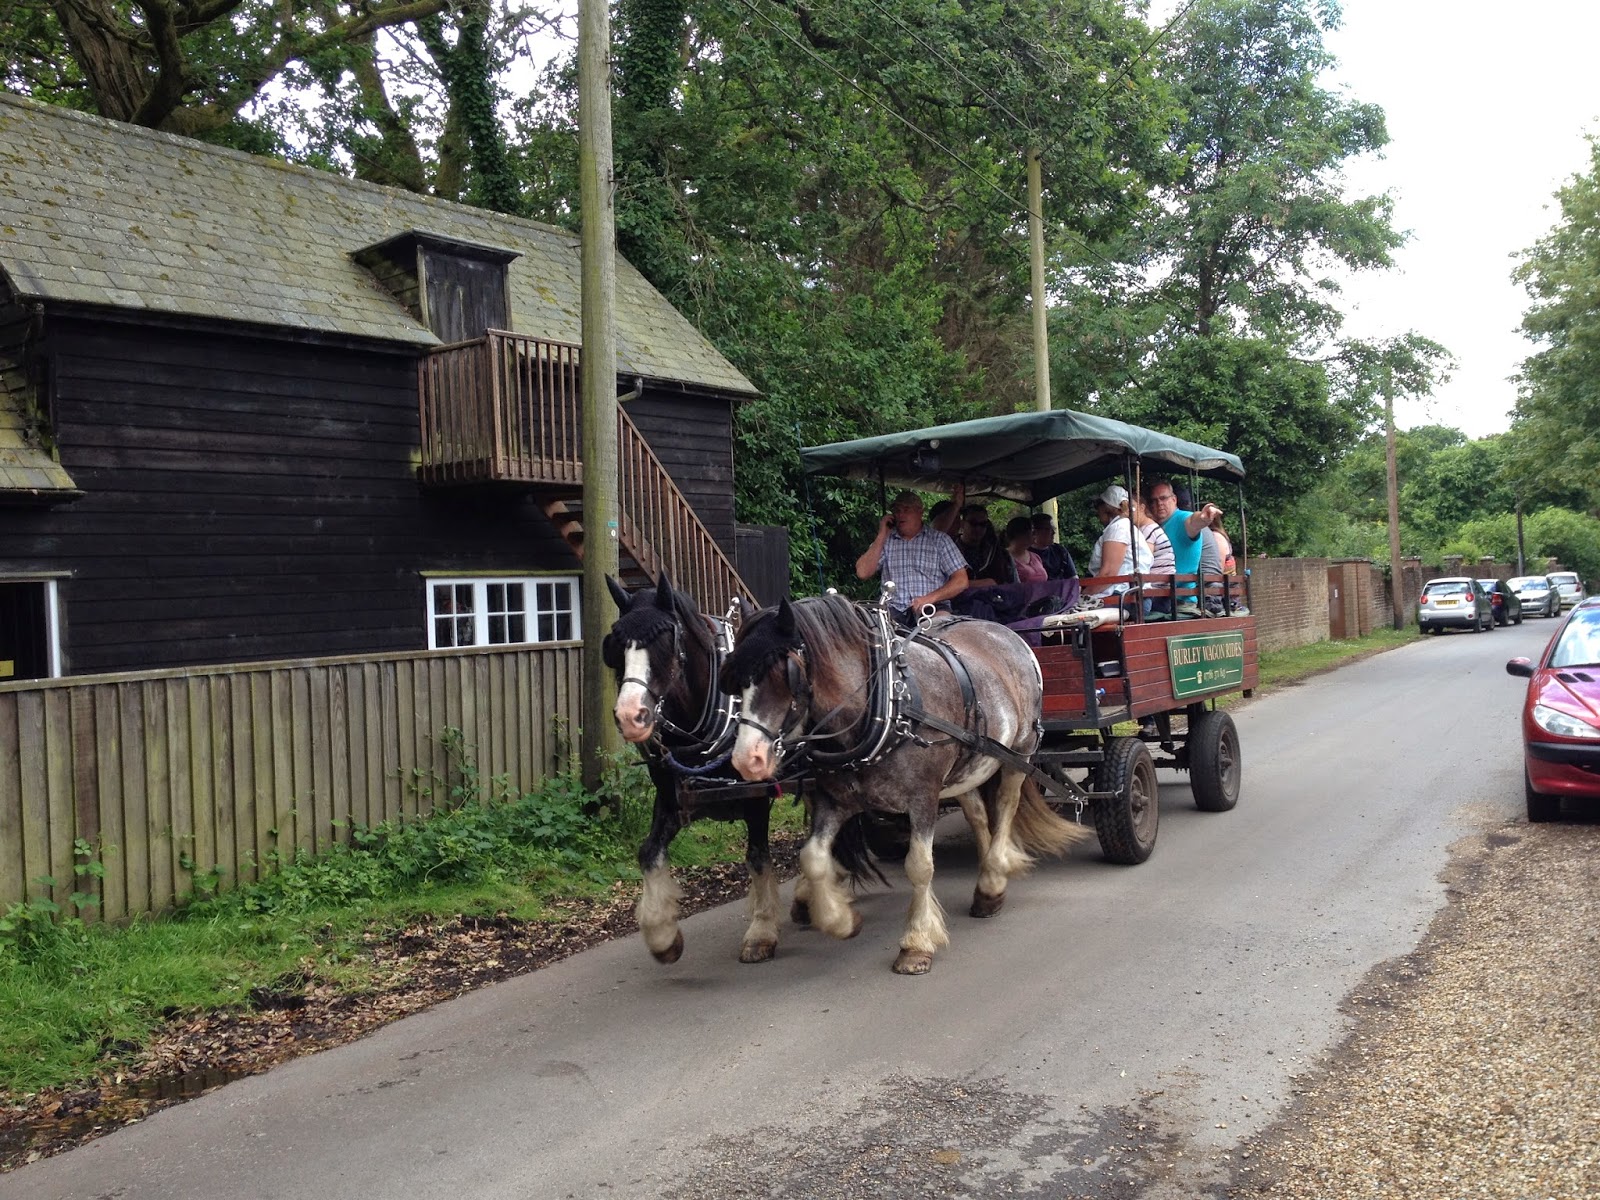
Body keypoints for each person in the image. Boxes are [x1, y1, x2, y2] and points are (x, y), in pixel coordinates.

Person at [855, 489, 969, 623]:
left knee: (943, 633)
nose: (900, 515)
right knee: (871, 633)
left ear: (920, 512)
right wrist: (881, 535)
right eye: (897, 510)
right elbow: (862, 573)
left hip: (933, 607)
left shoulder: (939, 540)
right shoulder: (886, 541)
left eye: (906, 510)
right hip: (894, 609)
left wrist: (931, 597)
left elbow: (961, 581)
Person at [1145, 477, 1223, 602]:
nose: (1159, 503)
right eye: (1154, 501)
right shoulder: (1155, 526)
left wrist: (1203, 518)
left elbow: (1193, 521)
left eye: (1163, 498)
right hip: (1161, 596)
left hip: (1180, 600)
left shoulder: (1182, 518)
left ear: (1174, 499)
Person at [1085, 485, 1153, 600]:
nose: (1097, 511)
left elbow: (1108, 574)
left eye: (1098, 505)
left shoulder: (1118, 529)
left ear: (1107, 508)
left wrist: (1083, 595)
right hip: (1132, 595)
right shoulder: (1126, 526)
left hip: (1122, 596)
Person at [1132, 496, 1175, 614]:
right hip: (1162, 591)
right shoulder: (1148, 528)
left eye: (1132, 508)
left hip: (1159, 594)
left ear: (1142, 508)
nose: (1128, 513)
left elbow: (1143, 562)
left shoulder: (1147, 530)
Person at [953, 502, 1014, 586]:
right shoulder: (950, 548)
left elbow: (999, 580)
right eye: (973, 523)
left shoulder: (994, 551)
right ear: (962, 524)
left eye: (983, 524)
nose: (978, 528)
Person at [1028, 512, 1078, 579]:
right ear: (1034, 531)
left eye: (1053, 529)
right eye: (1048, 529)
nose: (1053, 533)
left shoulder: (1060, 551)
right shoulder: (1024, 555)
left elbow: (1074, 579)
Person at [1004, 516, 1048, 583]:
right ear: (1020, 533)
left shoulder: (1036, 557)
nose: (1036, 534)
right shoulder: (1003, 558)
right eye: (1033, 532)